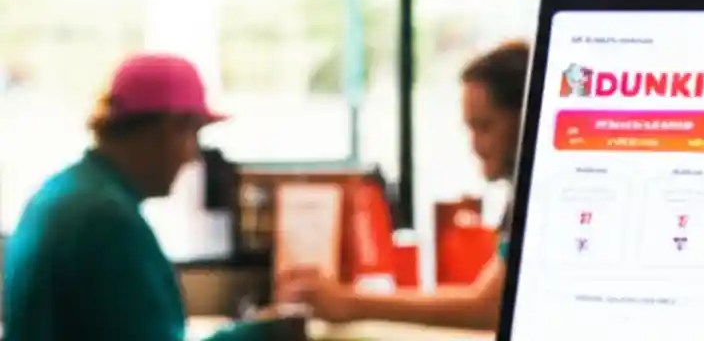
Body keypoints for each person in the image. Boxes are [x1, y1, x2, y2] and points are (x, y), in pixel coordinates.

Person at [1, 54, 292, 341]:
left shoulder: (61, 193)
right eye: (193, 135)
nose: (193, 157)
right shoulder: (108, 222)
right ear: (166, 131)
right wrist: (264, 333)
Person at [279, 40, 529, 330]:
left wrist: (348, 303)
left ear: (525, 118)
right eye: (470, 129)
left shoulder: (540, 196)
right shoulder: (519, 196)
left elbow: (490, 306)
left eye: (485, 126)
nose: (474, 146)